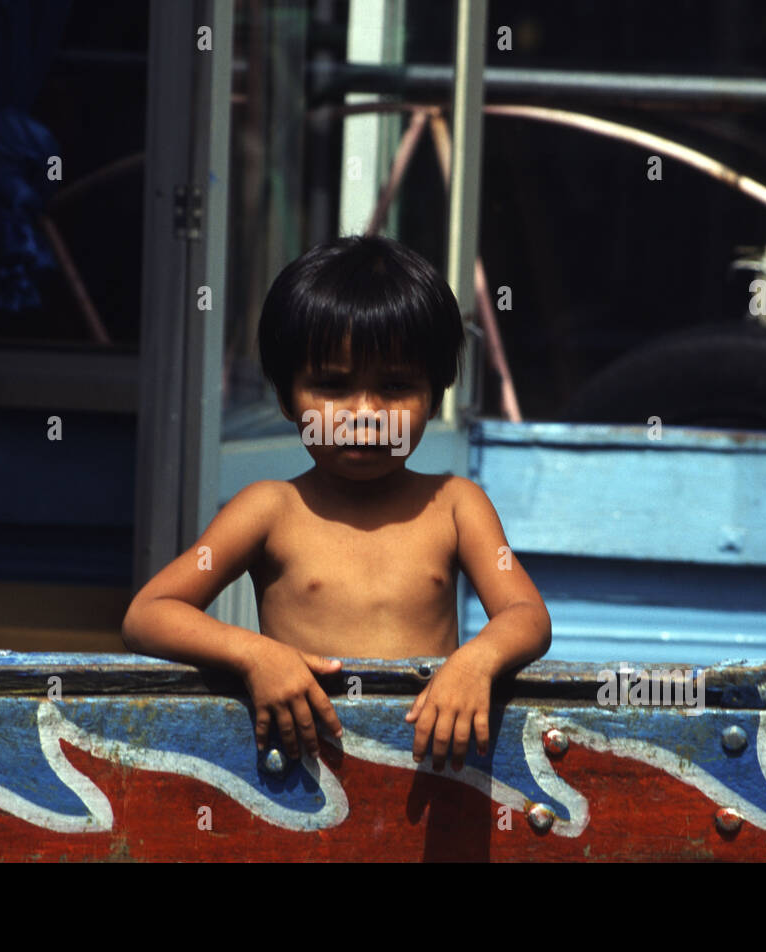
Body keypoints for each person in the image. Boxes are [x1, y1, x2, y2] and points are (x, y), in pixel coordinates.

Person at [122, 234, 551, 771]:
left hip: (434, 780)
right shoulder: (269, 510)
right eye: (331, 385)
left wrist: (477, 662)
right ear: (284, 397)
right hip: (304, 786)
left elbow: (527, 615)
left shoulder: (455, 504)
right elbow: (148, 614)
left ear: (435, 397)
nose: (365, 412)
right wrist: (255, 655)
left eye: (395, 386)